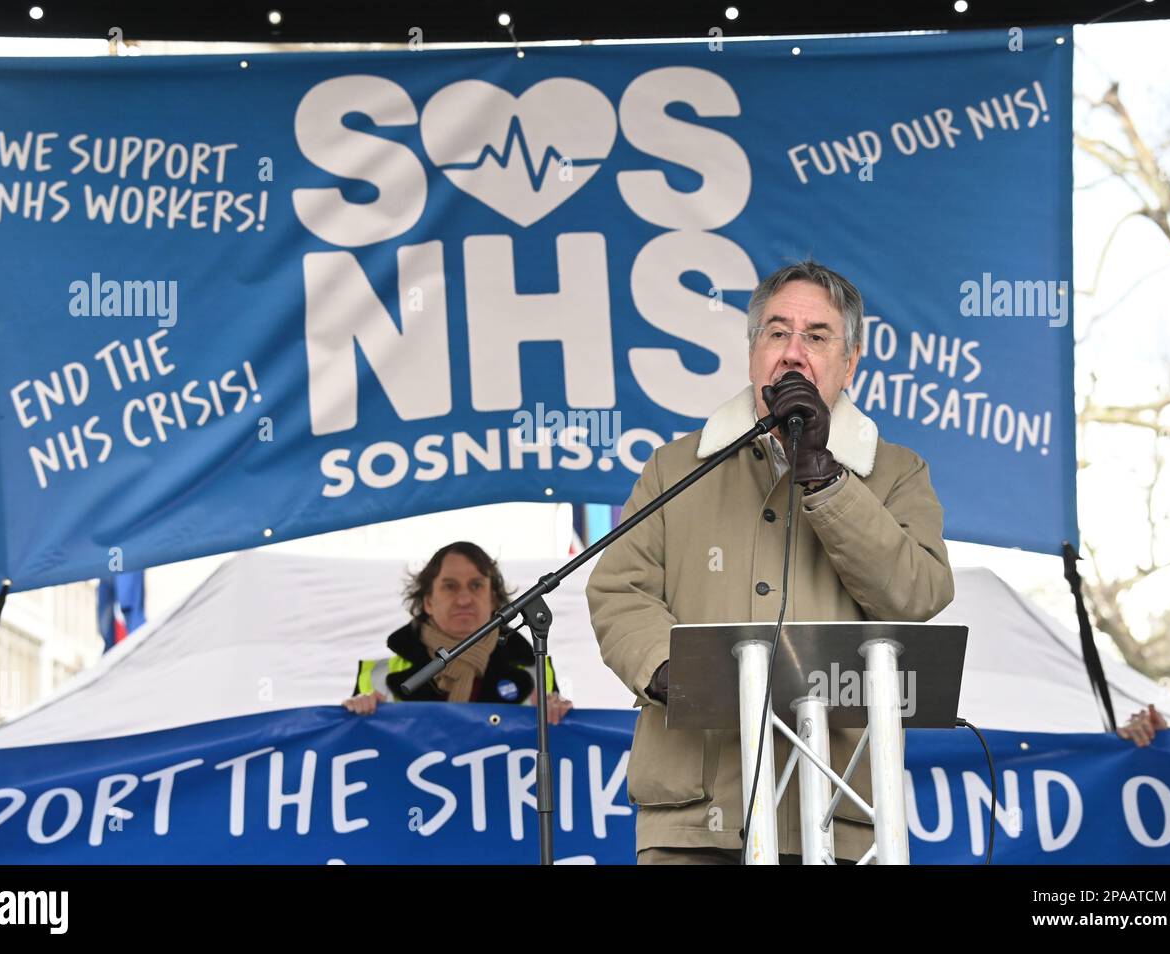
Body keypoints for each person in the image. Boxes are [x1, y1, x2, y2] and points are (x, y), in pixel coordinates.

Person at [587, 259, 955, 864]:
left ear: (850, 362)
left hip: (838, 812)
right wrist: (669, 669)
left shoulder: (896, 473)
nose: (793, 352)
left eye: (816, 336)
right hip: (694, 817)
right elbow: (619, 590)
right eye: (777, 332)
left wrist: (825, 477)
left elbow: (916, 594)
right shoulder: (674, 467)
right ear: (753, 351)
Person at [344, 541, 573, 724]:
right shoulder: (377, 679)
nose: (464, 600)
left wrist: (559, 715)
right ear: (428, 602)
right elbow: (354, 764)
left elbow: (560, 759)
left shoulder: (537, 674)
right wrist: (355, 715)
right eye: (450, 586)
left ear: (493, 598)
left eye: (476, 585)